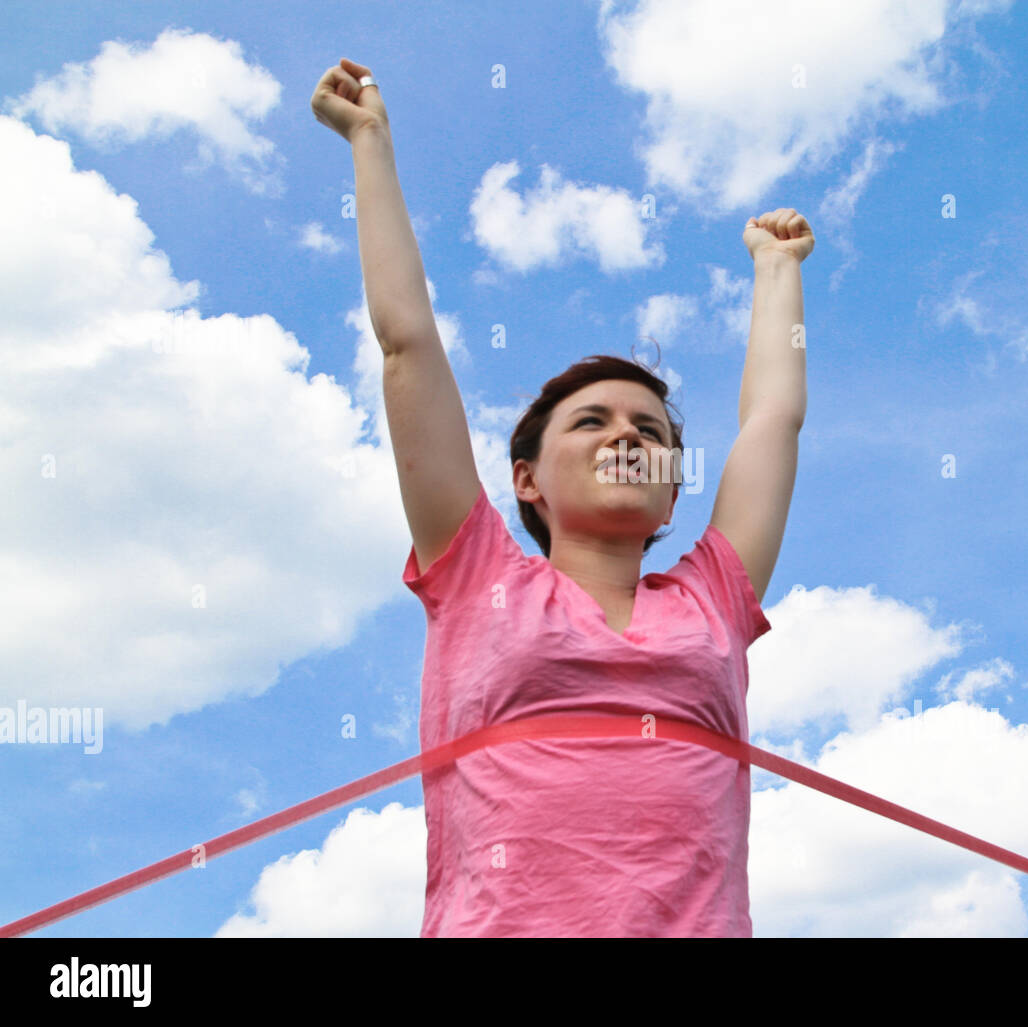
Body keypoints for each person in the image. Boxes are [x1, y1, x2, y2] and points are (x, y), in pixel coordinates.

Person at [311, 58, 813, 937]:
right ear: (527, 481)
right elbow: (407, 346)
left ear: (669, 500)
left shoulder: (713, 601)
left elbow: (773, 421)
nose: (627, 436)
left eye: (651, 432)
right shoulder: (475, 574)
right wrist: (370, 143)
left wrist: (777, 268)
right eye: (593, 422)